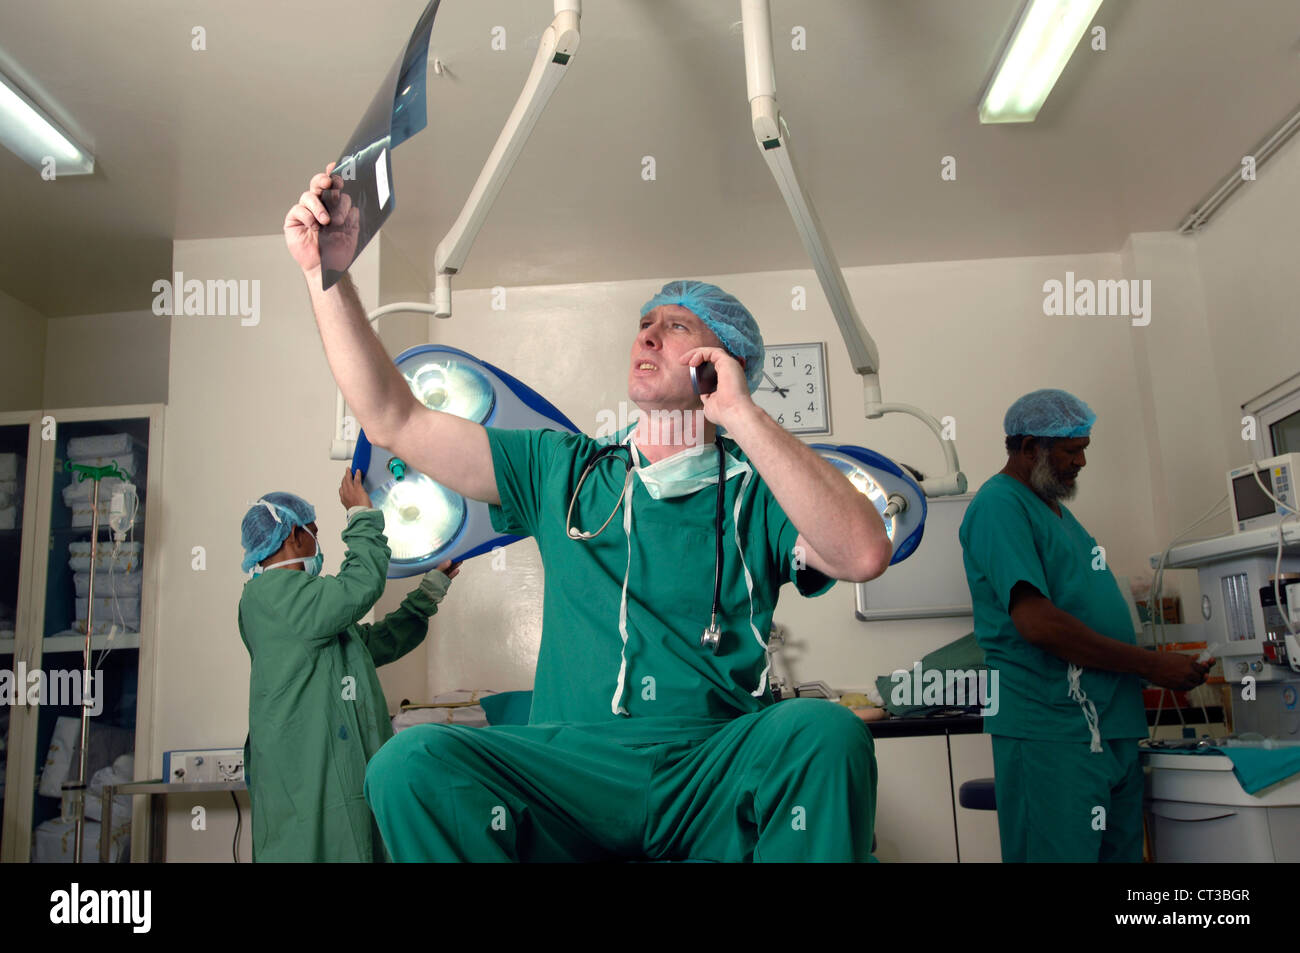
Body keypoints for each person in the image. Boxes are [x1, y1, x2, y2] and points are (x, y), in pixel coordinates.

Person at [283, 165, 892, 862]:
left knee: (826, 735)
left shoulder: (760, 490)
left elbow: (863, 553)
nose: (647, 337)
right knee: (408, 764)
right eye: (643, 326)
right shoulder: (561, 468)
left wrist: (741, 414)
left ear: (721, 360)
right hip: (572, 769)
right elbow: (393, 417)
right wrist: (326, 274)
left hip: (711, 765)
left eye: (676, 326)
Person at [958, 389, 1211, 863]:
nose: (1081, 463)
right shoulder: (999, 506)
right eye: (1072, 451)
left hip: (1108, 724)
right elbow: (1038, 625)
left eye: (1084, 450)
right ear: (1031, 447)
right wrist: (1151, 666)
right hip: (1052, 728)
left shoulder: (1058, 514)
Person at [238, 468, 459, 862]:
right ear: (294, 535)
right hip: (307, 781)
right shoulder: (270, 598)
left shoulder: (308, 607)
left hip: (339, 778)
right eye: (314, 532)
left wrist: (430, 591)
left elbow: (370, 644)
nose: (317, 543)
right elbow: (360, 585)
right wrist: (361, 515)